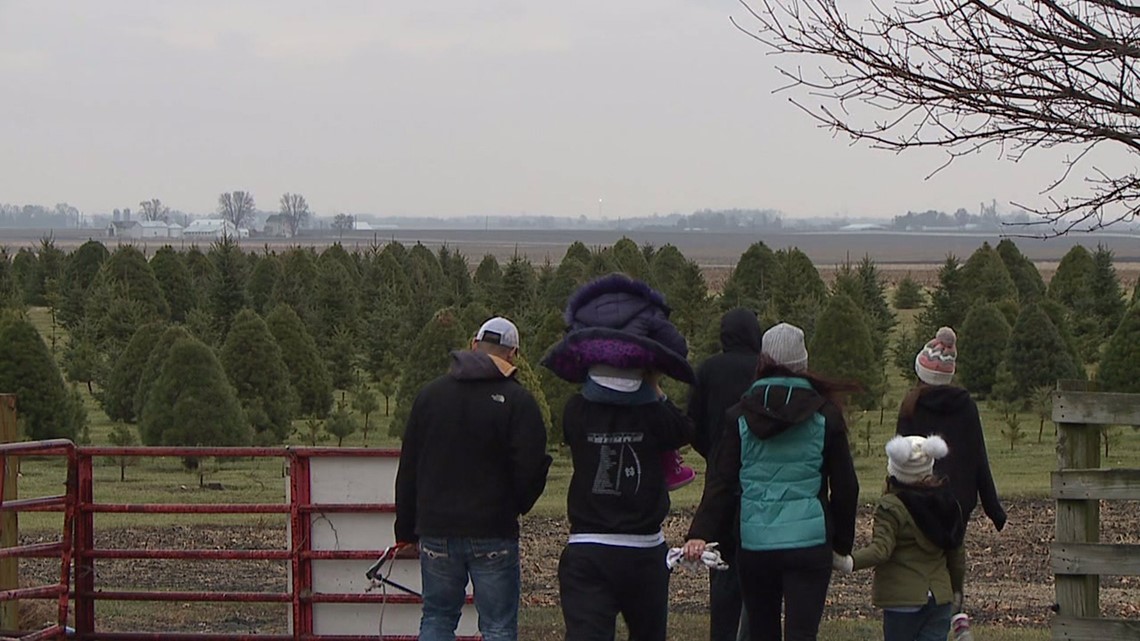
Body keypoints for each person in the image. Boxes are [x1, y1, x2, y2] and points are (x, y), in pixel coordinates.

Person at [541, 273, 697, 641]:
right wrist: (654, 386)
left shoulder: (575, 411)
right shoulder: (655, 416)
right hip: (643, 552)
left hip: (587, 550)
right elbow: (684, 431)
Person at [683, 322, 859, 641]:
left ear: (762, 361)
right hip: (809, 541)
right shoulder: (825, 415)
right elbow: (846, 486)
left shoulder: (739, 416)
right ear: (803, 363)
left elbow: (722, 481)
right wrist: (841, 543)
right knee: (801, 634)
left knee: (762, 632)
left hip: (755, 542)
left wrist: (700, 533)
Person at [394, 317, 553, 641]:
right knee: (497, 626)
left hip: (437, 531)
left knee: (437, 618)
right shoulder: (519, 402)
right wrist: (517, 506)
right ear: (514, 354)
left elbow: (409, 466)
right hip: (492, 531)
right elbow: (530, 468)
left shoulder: (430, 396)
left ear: (473, 345)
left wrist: (406, 531)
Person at [833, 435, 966, 641]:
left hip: (902, 599)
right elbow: (957, 554)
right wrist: (956, 590)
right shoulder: (948, 503)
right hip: (940, 596)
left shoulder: (891, 506)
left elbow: (881, 550)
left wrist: (848, 561)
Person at [686, 308, 764, 641]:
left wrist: (716, 456)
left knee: (722, 568)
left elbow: (693, 424)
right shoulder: (764, 369)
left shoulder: (708, 369)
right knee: (760, 575)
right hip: (761, 479)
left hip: (719, 482)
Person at [897, 327, 1006, 533]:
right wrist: (994, 510)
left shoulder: (911, 405)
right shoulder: (966, 406)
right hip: (958, 502)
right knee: (953, 559)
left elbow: (900, 457)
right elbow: (978, 458)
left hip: (918, 499)